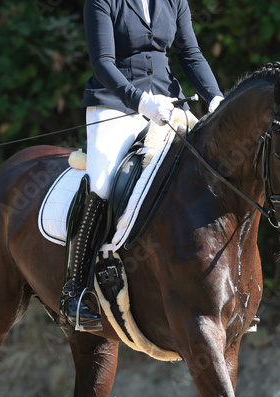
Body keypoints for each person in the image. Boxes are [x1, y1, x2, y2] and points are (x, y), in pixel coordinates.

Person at [61, 0, 225, 331]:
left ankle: (228, 288)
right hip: (114, 104)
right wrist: (140, 101)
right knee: (103, 183)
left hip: (167, 103)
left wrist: (217, 99)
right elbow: (103, 63)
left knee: (211, 172)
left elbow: (190, 54)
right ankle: (74, 292)